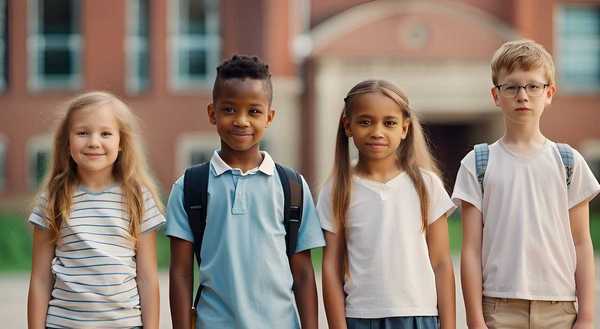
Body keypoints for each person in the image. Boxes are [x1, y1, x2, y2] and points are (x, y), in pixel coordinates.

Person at [166, 55, 325, 329]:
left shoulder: (293, 187)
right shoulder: (189, 187)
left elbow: (303, 274)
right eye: (229, 110)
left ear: (269, 117)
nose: (241, 121)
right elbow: (180, 273)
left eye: (253, 111)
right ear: (212, 113)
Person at [453, 39, 600, 329]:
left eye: (533, 86)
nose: (523, 95)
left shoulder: (568, 161)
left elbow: (582, 243)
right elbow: (470, 249)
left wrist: (585, 316)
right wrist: (475, 320)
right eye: (512, 86)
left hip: (559, 309)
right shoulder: (477, 163)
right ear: (496, 95)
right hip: (498, 307)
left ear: (549, 93)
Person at [318, 79, 456, 329]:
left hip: (419, 317)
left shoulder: (427, 185)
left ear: (404, 128)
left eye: (389, 123)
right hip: (360, 318)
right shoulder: (337, 188)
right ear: (348, 126)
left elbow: (442, 263)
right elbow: (330, 267)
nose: (377, 131)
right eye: (365, 122)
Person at [27, 91, 165, 329]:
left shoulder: (138, 198)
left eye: (105, 133)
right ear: (67, 141)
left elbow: (148, 278)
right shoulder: (52, 198)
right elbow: (40, 279)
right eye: (82, 133)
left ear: (121, 142)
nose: (93, 142)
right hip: (64, 324)